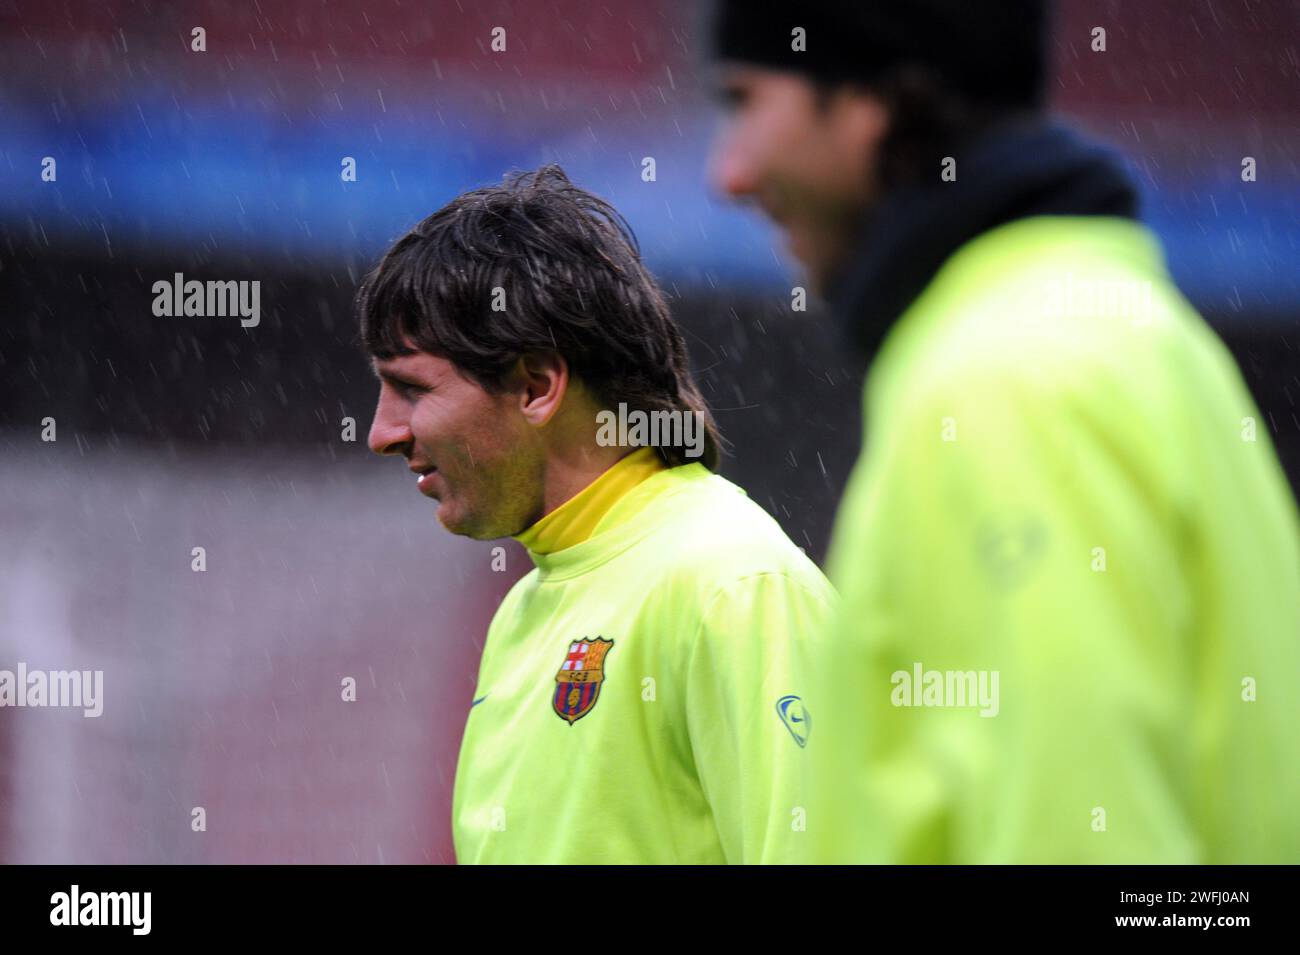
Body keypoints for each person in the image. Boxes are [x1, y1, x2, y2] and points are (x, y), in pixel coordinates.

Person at [706, 0, 1300, 862]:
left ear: (871, 102)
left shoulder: (1005, 379)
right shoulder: (1135, 337)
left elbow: (1087, 842)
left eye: (747, 99)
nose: (731, 171)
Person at [358, 165, 835, 863]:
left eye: (409, 388)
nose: (381, 433)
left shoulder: (733, 582)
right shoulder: (524, 608)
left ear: (537, 385)